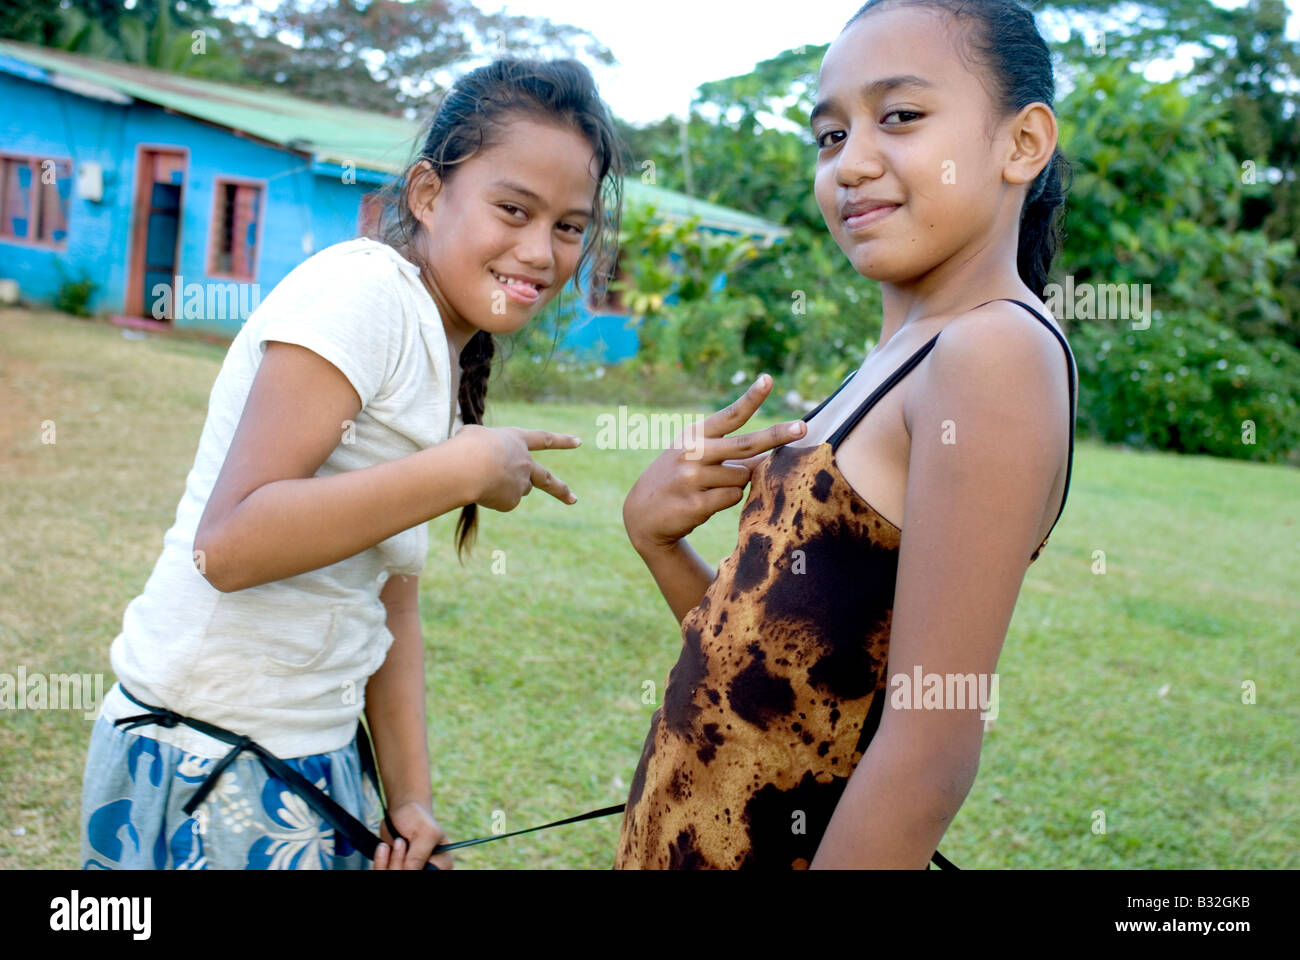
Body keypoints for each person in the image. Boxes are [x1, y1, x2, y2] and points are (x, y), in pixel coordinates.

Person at [80, 58, 623, 870]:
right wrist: (461, 471)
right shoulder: (363, 293)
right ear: (428, 194)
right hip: (210, 754)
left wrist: (410, 802)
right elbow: (227, 547)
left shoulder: (438, 348)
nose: (541, 251)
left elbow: (388, 604)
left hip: (308, 755)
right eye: (513, 209)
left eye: (570, 227)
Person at [614, 0, 1078, 869]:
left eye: (899, 116)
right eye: (830, 136)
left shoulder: (993, 355)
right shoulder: (900, 357)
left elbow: (928, 753)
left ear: (1022, 143)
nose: (852, 163)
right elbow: (778, 680)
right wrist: (656, 540)